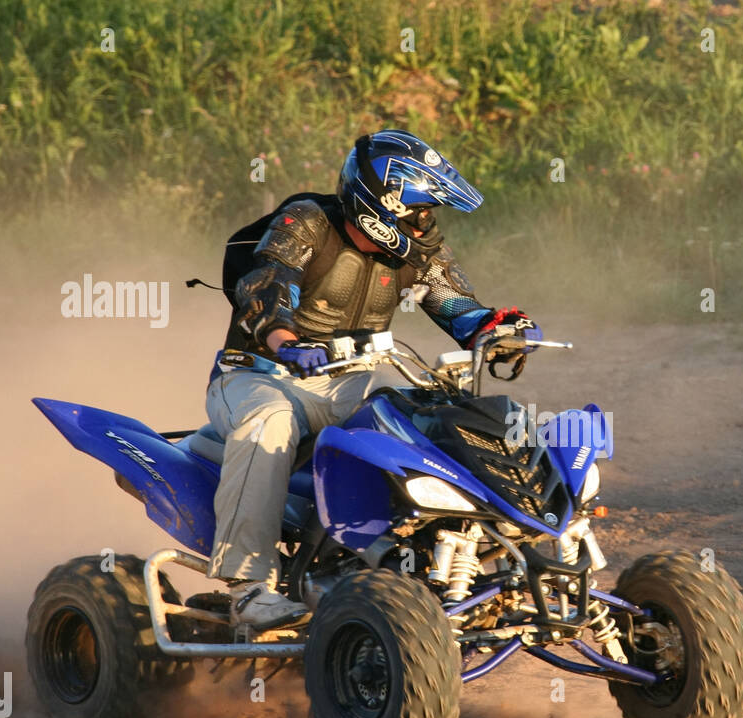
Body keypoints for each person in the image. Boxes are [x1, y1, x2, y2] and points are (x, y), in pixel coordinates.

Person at [207, 129, 540, 629]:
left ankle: (426, 563)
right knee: (269, 423)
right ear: (381, 203)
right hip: (259, 376)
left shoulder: (418, 250)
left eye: (428, 211)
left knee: (429, 423)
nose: (425, 220)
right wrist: (286, 341)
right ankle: (249, 587)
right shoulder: (308, 221)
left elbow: (455, 304)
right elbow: (265, 285)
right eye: (418, 210)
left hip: (348, 384)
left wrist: (497, 330)